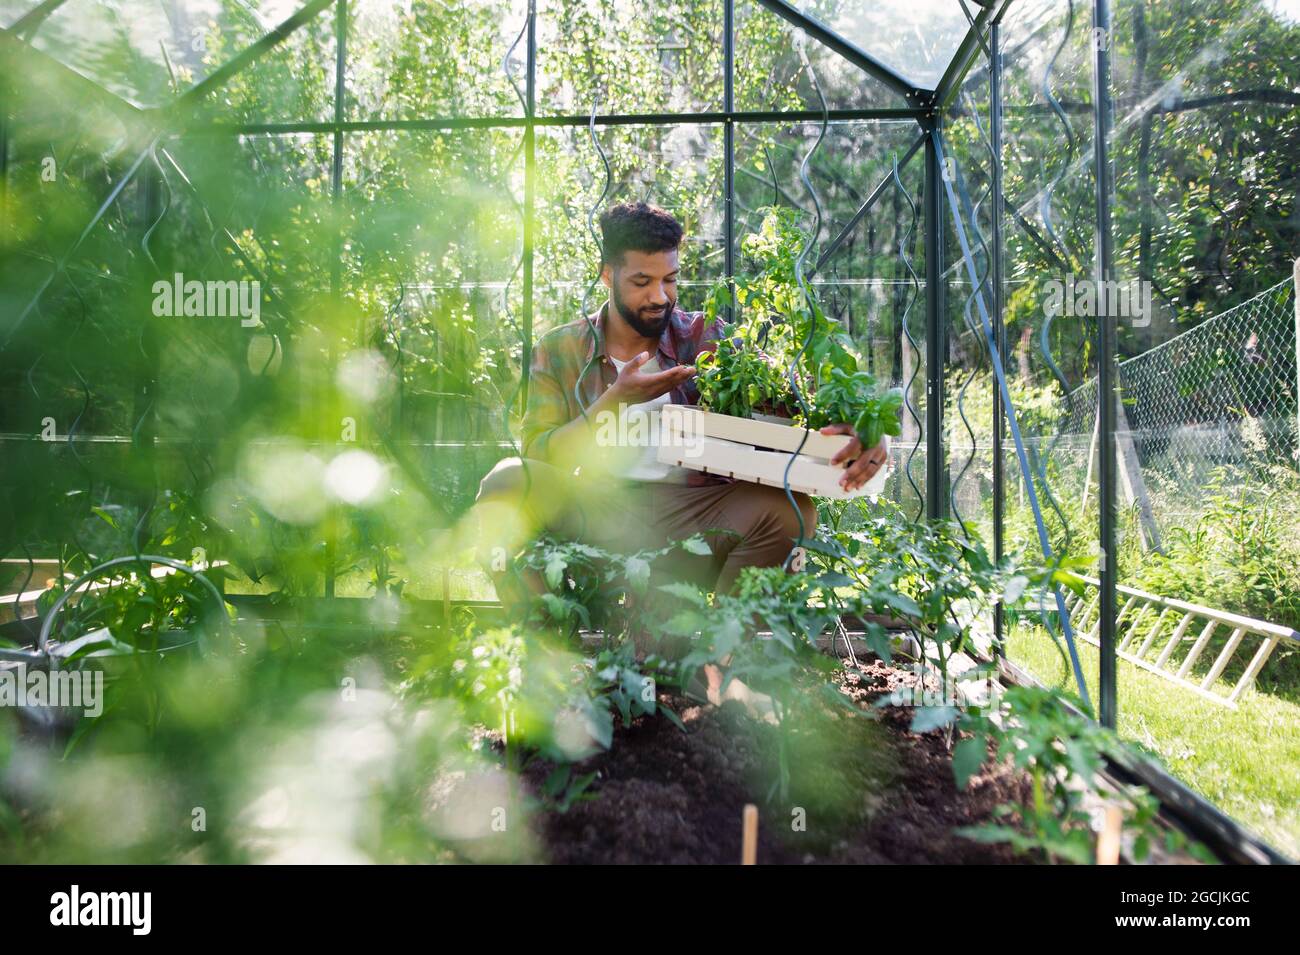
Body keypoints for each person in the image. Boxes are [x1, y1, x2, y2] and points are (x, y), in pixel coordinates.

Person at [474, 200, 887, 607]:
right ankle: (546, 644)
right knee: (507, 481)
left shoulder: (707, 339)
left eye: (669, 279)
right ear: (607, 275)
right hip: (598, 516)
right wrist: (614, 401)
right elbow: (538, 452)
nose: (659, 296)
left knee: (789, 510)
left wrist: (864, 427)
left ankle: (718, 659)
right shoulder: (561, 348)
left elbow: (796, 397)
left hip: (695, 517)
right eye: (641, 282)